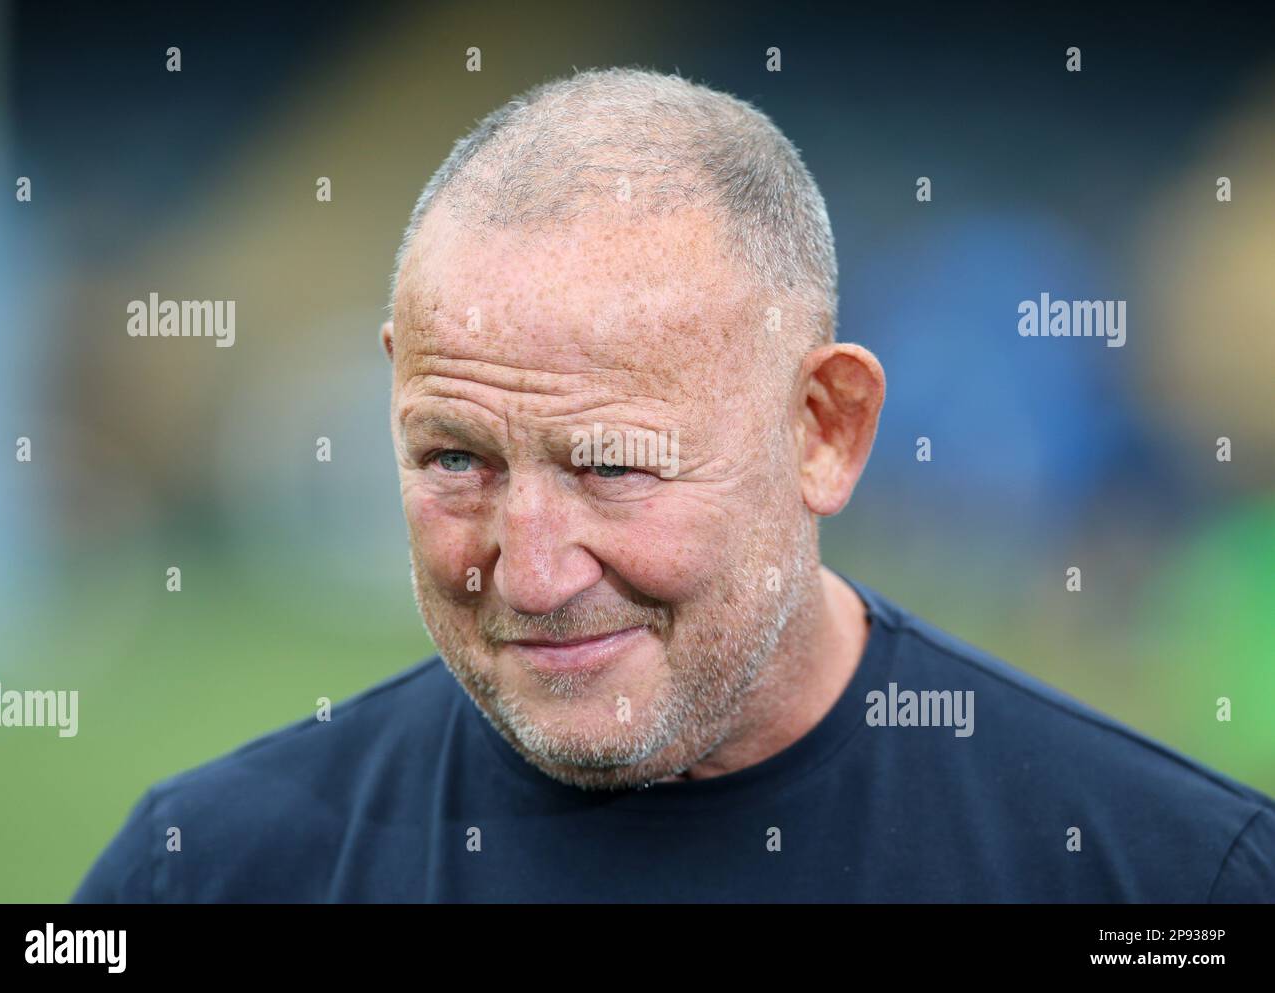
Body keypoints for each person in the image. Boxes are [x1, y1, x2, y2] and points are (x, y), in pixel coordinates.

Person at [74, 68, 1275, 902]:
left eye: (611, 466)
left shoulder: (1165, 878)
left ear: (825, 430)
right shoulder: (203, 873)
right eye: (456, 459)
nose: (532, 575)